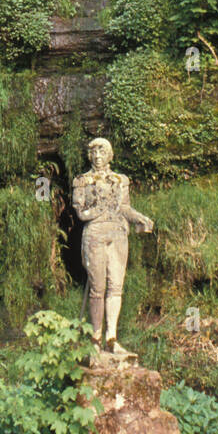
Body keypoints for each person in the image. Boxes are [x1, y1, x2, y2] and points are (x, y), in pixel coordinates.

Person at [72, 137, 153, 354]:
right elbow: (80, 213)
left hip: (118, 235)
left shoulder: (120, 180)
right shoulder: (82, 180)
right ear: (90, 156)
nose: (97, 157)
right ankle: (96, 338)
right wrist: (101, 209)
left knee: (116, 286)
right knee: (97, 288)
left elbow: (124, 207)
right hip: (95, 234)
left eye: (102, 152)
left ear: (110, 155)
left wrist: (139, 217)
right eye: (94, 153)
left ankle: (112, 338)